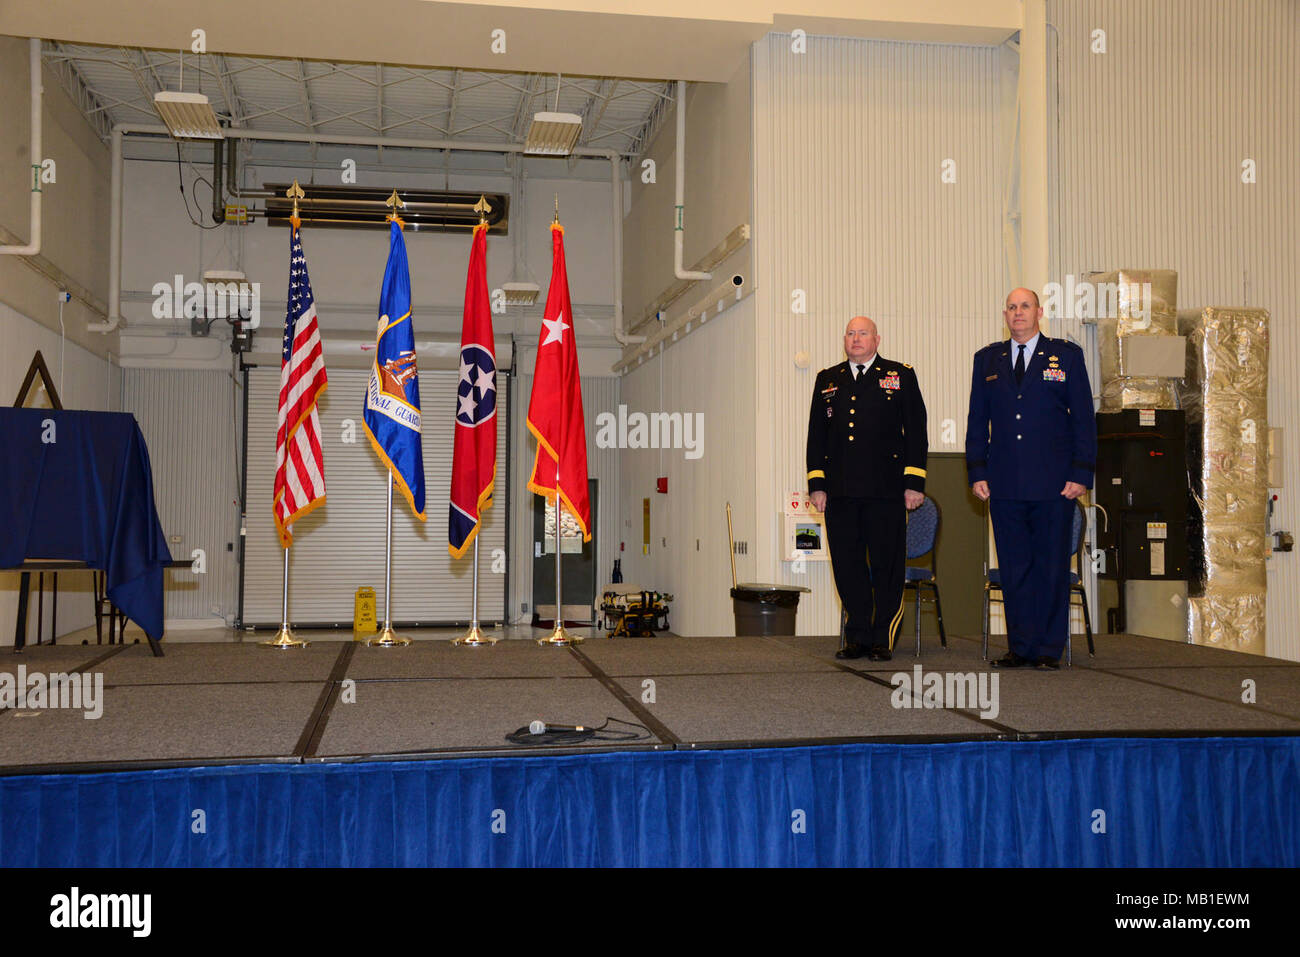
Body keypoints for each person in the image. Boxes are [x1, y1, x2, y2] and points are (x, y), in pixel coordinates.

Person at [965, 288, 1096, 670]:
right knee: (1014, 567)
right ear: (1004, 314)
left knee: (1050, 566)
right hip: (1004, 483)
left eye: (1025, 307)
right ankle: (1021, 646)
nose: (1018, 313)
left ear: (1039, 312)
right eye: (1011, 307)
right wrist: (977, 470)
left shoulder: (1066, 357)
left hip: (1055, 483)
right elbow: (977, 420)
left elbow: (1083, 420)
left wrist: (1081, 472)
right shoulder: (987, 359)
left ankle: (1048, 649)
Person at [806, 316, 927, 661]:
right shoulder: (828, 380)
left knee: (887, 566)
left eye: (863, 333)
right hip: (840, 492)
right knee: (848, 565)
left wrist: (914, 482)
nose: (856, 339)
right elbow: (817, 436)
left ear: (877, 339)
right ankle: (857, 634)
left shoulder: (899, 375)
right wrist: (817, 483)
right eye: (850, 333)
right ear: (844, 339)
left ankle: (881, 637)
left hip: (886, 491)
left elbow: (916, 432)